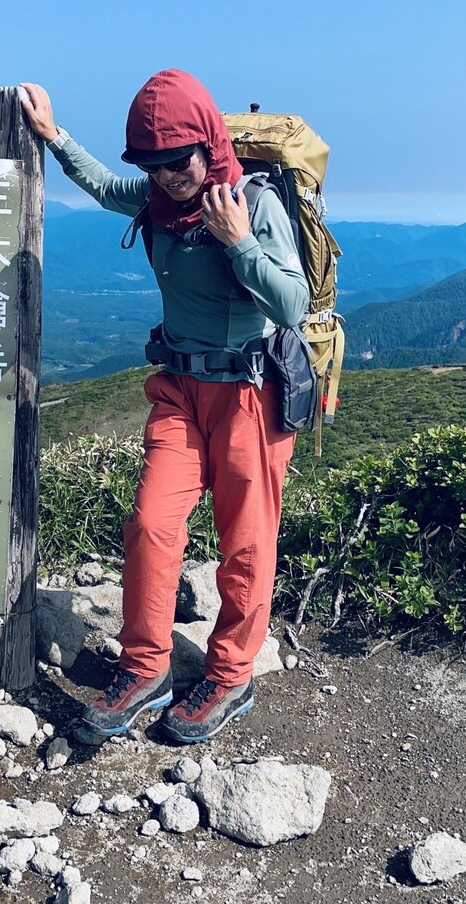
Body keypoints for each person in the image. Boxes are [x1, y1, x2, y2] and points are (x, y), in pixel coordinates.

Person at [20, 69, 308, 744]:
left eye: (179, 162)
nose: (169, 176)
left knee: (245, 543)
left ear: (209, 145)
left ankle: (231, 675)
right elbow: (102, 186)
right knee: (151, 523)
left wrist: (237, 240)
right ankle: (146, 666)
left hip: (249, 393)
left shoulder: (251, 202)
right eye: (153, 165)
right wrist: (54, 136)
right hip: (179, 389)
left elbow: (293, 306)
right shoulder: (157, 199)